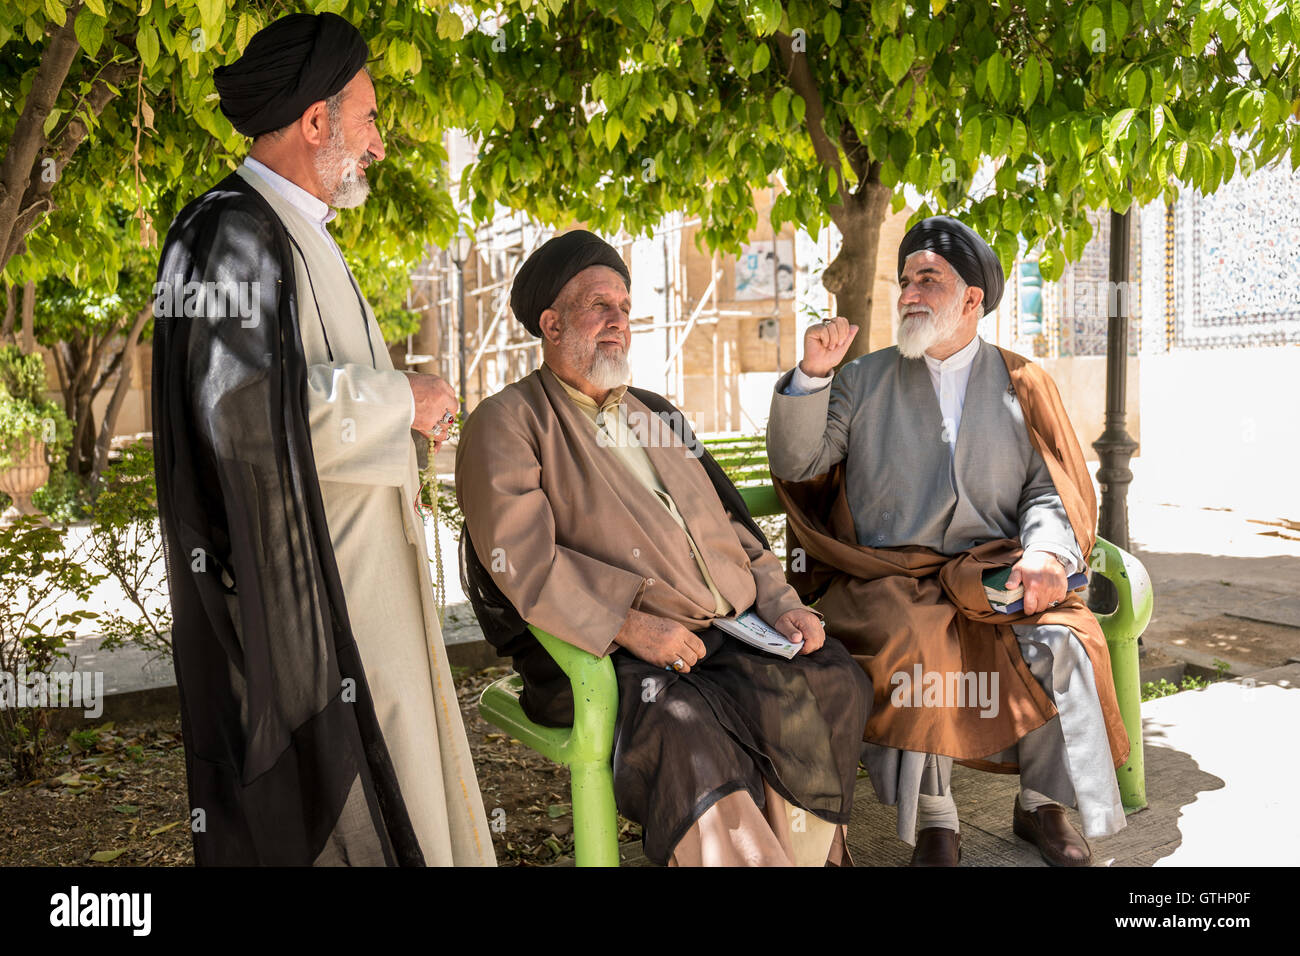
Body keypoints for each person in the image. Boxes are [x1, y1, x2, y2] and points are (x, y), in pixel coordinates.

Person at [152, 12, 493, 866]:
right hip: (314, 607)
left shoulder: (296, 231)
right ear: (316, 122)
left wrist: (399, 406)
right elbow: (238, 412)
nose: (378, 145)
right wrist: (398, 401)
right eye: (370, 118)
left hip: (361, 582)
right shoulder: (225, 233)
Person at [456, 230, 871, 866]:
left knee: (830, 678)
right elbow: (524, 565)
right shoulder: (508, 421)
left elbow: (734, 533)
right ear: (551, 323)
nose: (619, 322)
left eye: (624, 307)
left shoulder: (654, 412)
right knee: (685, 727)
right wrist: (628, 627)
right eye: (600, 306)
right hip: (608, 652)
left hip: (725, 633)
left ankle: (811, 859)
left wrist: (781, 602)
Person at [766, 216, 1130, 867]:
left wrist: (1046, 552)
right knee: (917, 638)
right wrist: (812, 377)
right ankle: (937, 815)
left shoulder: (1026, 382)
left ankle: (1043, 805)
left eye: (926, 278)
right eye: (904, 279)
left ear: (972, 299)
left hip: (996, 573)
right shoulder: (862, 379)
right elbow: (799, 465)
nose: (909, 291)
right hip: (890, 578)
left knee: (1066, 639)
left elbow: (1051, 489)